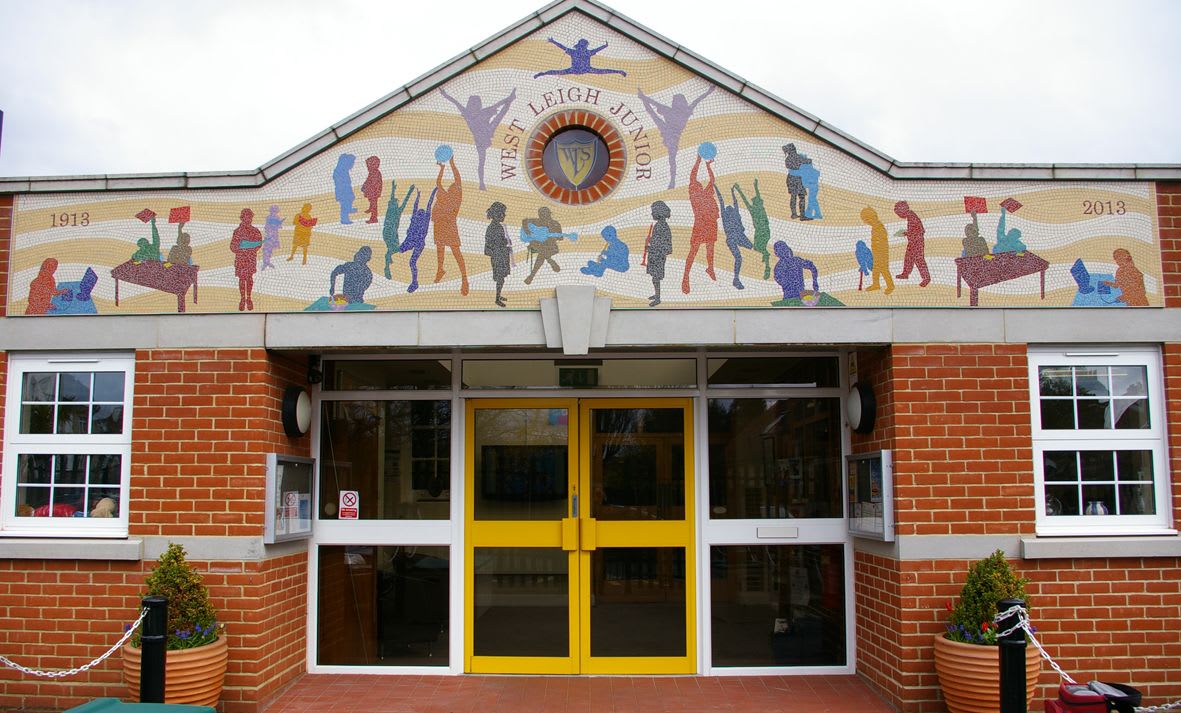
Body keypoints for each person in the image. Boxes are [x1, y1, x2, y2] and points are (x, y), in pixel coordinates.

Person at [637, 85, 714, 189]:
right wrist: (708, 91)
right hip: (669, 131)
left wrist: (644, 97)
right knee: (671, 156)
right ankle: (672, 180)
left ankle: (672, 180)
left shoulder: (677, 111)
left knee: (654, 115)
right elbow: (697, 100)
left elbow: (654, 103)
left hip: (671, 133)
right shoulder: (684, 111)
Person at [439, 88, 517, 190]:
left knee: (500, 115)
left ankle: (481, 183)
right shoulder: (470, 114)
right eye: (474, 104)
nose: (475, 106)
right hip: (483, 137)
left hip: (487, 132)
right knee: (481, 161)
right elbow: (456, 103)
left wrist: (508, 98)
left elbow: (498, 104)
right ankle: (481, 183)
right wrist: (445, 95)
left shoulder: (473, 113)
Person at [431, 156, 469, 295]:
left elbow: (457, 178)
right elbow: (438, 183)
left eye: (453, 187)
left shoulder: (456, 199)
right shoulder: (444, 195)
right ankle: (440, 269)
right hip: (439, 225)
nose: (452, 186)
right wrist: (442, 169)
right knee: (440, 249)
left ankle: (464, 278)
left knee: (455, 251)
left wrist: (452, 163)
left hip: (448, 226)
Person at [681, 154, 718, 294]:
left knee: (710, 248)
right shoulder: (695, 196)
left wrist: (708, 167)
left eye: (699, 184)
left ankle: (710, 268)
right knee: (694, 250)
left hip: (711, 224)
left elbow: (712, 180)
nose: (698, 184)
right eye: (697, 184)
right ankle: (685, 276)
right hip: (700, 225)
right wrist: (698, 160)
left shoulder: (706, 194)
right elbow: (693, 175)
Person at [521, 206, 573, 285]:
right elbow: (524, 221)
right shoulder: (541, 222)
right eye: (541, 215)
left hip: (548, 247)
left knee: (542, 254)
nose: (542, 217)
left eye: (543, 215)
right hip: (540, 246)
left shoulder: (551, 223)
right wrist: (528, 232)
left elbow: (560, 237)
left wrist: (549, 236)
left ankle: (532, 275)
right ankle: (549, 260)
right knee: (542, 251)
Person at [401, 187, 438, 293]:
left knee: (412, 262)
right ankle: (414, 282)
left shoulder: (421, 219)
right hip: (411, 241)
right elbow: (427, 205)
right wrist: (421, 196)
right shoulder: (419, 218)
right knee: (406, 257)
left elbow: (427, 206)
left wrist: (432, 192)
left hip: (417, 243)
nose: (418, 213)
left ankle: (414, 282)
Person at [734, 180, 773, 279]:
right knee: (759, 248)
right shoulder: (760, 207)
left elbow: (745, 199)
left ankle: (767, 264)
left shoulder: (753, 209)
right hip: (766, 231)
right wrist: (755, 186)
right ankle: (766, 262)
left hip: (760, 232)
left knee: (759, 248)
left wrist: (738, 189)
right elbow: (757, 195)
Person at [533, 38, 627, 78]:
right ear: (583, 46)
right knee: (557, 72)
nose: (585, 47)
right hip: (579, 69)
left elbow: (562, 47)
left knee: (603, 71)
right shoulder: (583, 52)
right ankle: (543, 73)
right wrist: (553, 41)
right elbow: (562, 47)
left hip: (580, 69)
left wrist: (605, 46)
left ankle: (619, 71)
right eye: (585, 45)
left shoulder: (582, 52)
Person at [716, 184, 753, 289]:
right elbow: (723, 202)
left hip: (738, 236)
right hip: (734, 237)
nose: (730, 208)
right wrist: (718, 188)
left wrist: (722, 190)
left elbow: (724, 202)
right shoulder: (729, 215)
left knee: (751, 248)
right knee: (739, 257)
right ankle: (736, 279)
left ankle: (736, 278)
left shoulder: (729, 215)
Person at [230, 208, 263, 311]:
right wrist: (241, 249)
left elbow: (259, 243)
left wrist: (250, 249)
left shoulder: (255, 231)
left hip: (250, 258)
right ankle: (242, 299)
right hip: (241, 259)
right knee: (241, 279)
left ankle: (249, 298)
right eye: (247, 217)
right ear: (242, 218)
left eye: (250, 217)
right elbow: (232, 246)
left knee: (249, 278)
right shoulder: (237, 231)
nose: (249, 219)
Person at [382, 180, 415, 279]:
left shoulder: (390, 209)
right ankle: (386, 267)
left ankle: (388, 260)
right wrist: (410, 191)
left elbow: (392, 198)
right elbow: (405, 201)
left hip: (387, 231)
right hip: (391, 232)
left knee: (392, 248)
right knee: (394, 249)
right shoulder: (397, 211)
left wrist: (393, 188)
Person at [892, 201, 931, 286]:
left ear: (903, 211)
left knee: (919, 260)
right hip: (912, 241)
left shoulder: (912, 216)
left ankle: (926, 278)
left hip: (917, 242)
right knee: (908, 258)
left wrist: (907, 233)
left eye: (899, 213)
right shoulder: (910, 216)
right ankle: (905, 273)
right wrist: (908, 233)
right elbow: (914, 230)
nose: (899, 215)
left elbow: (920, 230)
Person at [643, 200, 673, 306]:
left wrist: (650, 248)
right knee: (654, 277)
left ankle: (658, 298)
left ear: (658, 212)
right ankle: (656, 294)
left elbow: (663, 244)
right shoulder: (660, 225)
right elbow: (658, 241)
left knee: (656, 277)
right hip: (655, 255)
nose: (651, 213)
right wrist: (651, 240)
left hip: (658, 257)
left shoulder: (662, 226)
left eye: (653, 211)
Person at [483, 202, 512, 307]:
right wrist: (501, 247)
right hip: (497, 256)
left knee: (502, 277)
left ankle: (498, 295)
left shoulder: (498, 226)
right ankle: (497, 298)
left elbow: (500, 241)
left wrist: (505, 243)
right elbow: (489, 245)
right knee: (500, 278)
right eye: (502, 214)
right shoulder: (492, 228)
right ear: (496, 215)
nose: (504, 216)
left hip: (501, 255)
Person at [859, 207, 893, 294]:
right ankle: (876, 284)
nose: (865, 222)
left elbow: (882, 240)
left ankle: (890, 286)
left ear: (870, 218)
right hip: (877, 252)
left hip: (882, 252)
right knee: (876, 269)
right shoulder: (875, 226)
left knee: (884, 269)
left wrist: (877, 246)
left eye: (865, 220)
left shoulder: (879, 227)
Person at [783, 144, 808, 220]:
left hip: (793, 178)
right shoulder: (799, 157)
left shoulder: (788, 159)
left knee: (796, 197)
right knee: (799, 197)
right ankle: (800, 215)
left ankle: (796, 214)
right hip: (796, 178)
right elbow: (805, 164)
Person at [332, 154, 357, 224]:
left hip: (346, 189)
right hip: (342, 190)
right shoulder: (339, 171)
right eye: (351, 163)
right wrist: (344, 190)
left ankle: (349, 209)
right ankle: (344, 219)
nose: (352, 165)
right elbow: (339, 183)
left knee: (350, 199)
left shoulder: (344, 170)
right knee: (344, 204)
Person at [360, 156, 383, 224]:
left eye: (368, 165)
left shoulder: (376, 173)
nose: (367, 167)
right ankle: (370, 208)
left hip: (374, 192)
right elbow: (368, 180)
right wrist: (364, 186)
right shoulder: (372, 172)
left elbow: (375, 184)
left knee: (374, 205)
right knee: (371, 201)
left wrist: (368, 188)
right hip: (371, 191)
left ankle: (374, 218)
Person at [259, 205, 282, 270]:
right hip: (269, 235)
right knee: (266, 249)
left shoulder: (277, 217)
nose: (274, 213)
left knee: (270, 249)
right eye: (273, 211)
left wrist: (277, 224)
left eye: (275, 211)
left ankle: (267, 262)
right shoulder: (268, 217)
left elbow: (279, 226)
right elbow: (266, 227)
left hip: (274, 235)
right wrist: (271, 227)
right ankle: (265, 262)